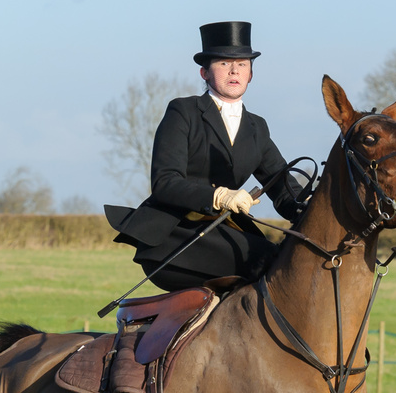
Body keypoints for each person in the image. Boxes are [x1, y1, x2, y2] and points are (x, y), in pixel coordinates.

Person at [105, 21, 303, 292]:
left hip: (225, 232)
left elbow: (283, 188)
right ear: (205, 73)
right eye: (223, 63)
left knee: (286, 256)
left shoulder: (258, 127)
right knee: (267, 258)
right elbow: (164, 181)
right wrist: (219, 196)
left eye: (242, 64)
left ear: (251, 74)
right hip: (176, 236)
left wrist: (320, 208)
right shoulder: (182, 112)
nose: (234, 70)